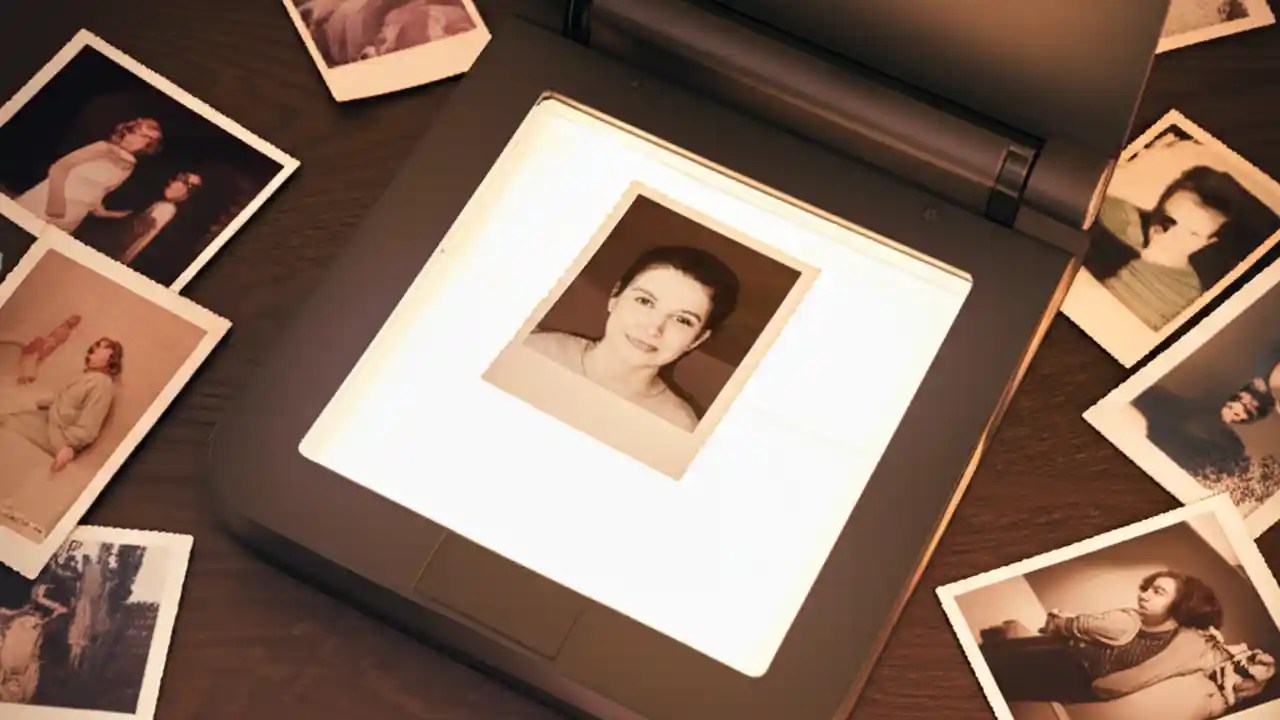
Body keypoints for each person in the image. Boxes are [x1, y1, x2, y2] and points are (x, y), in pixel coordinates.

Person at [524, 245, 739, 431]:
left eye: (682, 320)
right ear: (615, 297)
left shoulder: (678, 427)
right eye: (645, 301)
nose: (654, 328)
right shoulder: (532, 349)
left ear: (697, 339)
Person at [980, 570, 1234, 703]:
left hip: (1078, 673)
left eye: (1157, 592)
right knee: (998, 651)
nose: (1144, 595)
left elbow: (1213, 654)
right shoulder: (1135, 619)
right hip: (1069, 650)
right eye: (1146, 588)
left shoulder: (1182, 642)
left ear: (1181, 606)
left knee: (994, 668)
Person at [1082, 165, 1260, 330]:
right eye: (1169, 219)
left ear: (1208, 242)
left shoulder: (1187, 295)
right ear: (1160, 204)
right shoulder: (1114, 214)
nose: (1170, 235)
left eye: (1193, 233)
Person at [14, 118, 163, 233]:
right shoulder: (102, 148)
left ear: (148, 146)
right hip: (49, 203)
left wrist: (109, 214)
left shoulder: (129, 166)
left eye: (145, 138)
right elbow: (59, 168)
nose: (135, 139)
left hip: (72, 217)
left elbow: (99, 194)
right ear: (126, 131)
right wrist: (56, 206)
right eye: (134, 132)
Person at [0, 337, 123, 474]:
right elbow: (64, 399)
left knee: (8, 425)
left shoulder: (102, 385)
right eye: (94, 348)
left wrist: (69, 447)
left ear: (110, 358)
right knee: (10, 410)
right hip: (49, 421)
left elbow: (89, 427)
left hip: (58, 436)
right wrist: (39, 401)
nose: (94, 349)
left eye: (102, 347)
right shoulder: (87, 376)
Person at [117, 171, 202, 265]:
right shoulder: (164, 205)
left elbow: (135, 232)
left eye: (182, 180)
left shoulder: (167, 209)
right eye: (178, 178)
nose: (172, 182)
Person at [0, 314, 83, 384]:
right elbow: (52, 337)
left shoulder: (65, 332)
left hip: (46, 346)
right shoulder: (63, 328)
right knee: (29, 355)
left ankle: (26, 376)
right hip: (45, 344)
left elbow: (55, 342)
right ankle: (24, 375)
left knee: (31, 357)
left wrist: (44, 345)